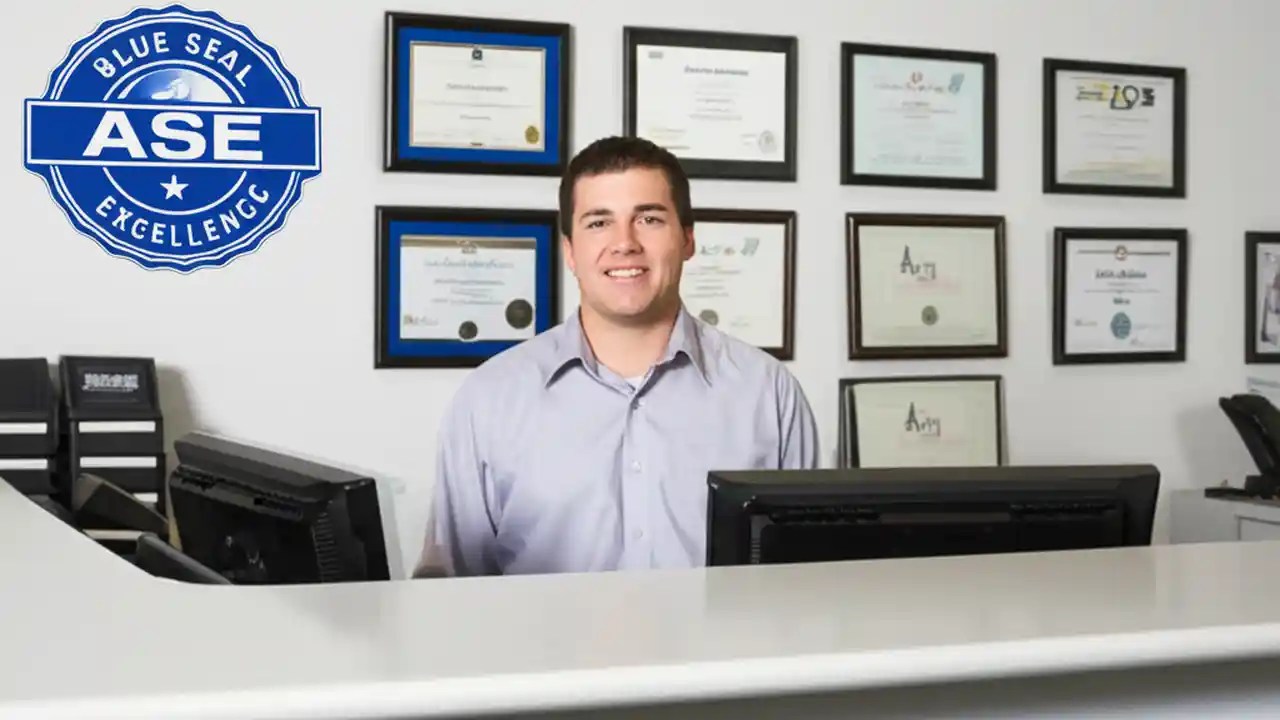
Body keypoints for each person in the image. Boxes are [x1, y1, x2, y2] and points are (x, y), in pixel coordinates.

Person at [415, 136, 818, 577]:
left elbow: (806, 583)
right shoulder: (489, 400)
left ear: (687, 239)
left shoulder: (768, 393)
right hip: (543, 648)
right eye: (598, 223)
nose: (625, 243)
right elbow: (449, 592)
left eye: (648, 218)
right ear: (569, 250)